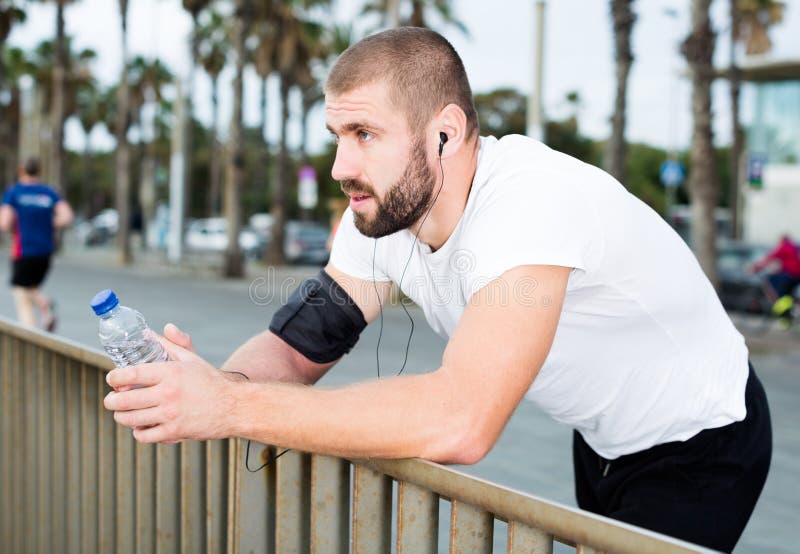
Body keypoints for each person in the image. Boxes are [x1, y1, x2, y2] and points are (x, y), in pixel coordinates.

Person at [104, 28, 771, 552]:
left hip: (705, 437)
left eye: (364, 134)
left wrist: (230, 409)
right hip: (601, 438)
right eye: (337, 136)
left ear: (445, 132)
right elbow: (300, 345)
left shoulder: (531, 203)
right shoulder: (380, 213)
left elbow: (461, 420)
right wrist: (206, 383)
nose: (341, 167)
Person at [0, 158, 74, 330]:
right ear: (39, 172)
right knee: (30, 287)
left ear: (21, 171)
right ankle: (44, 306)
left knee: (21, 295)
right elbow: (67, 216)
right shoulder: (48, 193)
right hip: (45, 252)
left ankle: (31, 333)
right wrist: (50, 223)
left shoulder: (14, 193)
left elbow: (5, 222)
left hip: (24, 250)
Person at [749, 234, 800, 319]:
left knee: (773, 282)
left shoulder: (784, 247)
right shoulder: (795, 247)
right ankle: (787, 317)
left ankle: (780, 308)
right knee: (787, 295)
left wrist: (756, 267)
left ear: (781, 240)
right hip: (797, 276)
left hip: (789, 275)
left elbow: (769, 258)